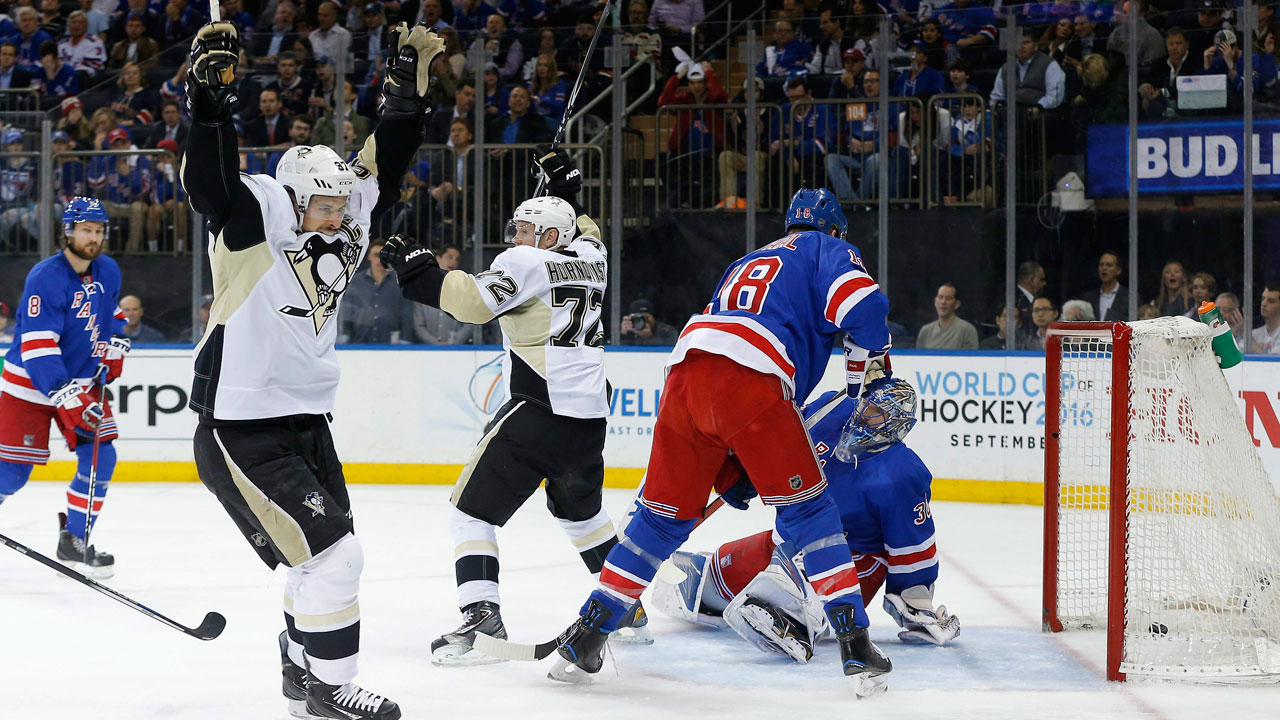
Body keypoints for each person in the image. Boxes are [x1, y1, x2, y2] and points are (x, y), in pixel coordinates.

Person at [183, 19, 442, 719]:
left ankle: (302, 667)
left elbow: (384, 157)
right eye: (321, 206)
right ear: (293, 200)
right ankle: (331, 688)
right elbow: (208, 181)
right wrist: (209, 104)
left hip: (306, 421)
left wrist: (404, 93)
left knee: (320, 559)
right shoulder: (255, 221)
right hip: (241, 429)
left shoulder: (344, 211)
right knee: (337, 559)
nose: (334, 216)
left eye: (338, 204)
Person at [551, 188, 895, 695]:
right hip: (752, 380)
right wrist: (876, 367)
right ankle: (855, 644)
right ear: (836, 230)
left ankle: (588, 634)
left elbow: (726, 367)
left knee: (659, 520)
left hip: (685, 376)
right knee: (810, 514)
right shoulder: (829, 250)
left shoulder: (748, 260)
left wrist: (735, 464)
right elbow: (866, 306)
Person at [381, 145, 651, 665]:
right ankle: (628, 606)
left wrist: (419, 271)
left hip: (538, 411)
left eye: (527, 228)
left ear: (549, 238)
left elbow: (469, 304)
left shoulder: (527, 262)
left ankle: (481, 614)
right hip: (589, 419)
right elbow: (587, 230)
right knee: (582, 514)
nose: (516, 237)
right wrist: (565, 191)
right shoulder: (593, 256)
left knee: (469, 512)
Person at [651, 378, 960, 661]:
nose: (865, 413)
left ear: (897, 425)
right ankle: (775, 597)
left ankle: (799, 617)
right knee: (701, 584)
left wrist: (914, 603)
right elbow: (781, 439)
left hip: (854, 558)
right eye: (867, 404)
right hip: (791, 538)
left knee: (786, 596)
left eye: (878, 413)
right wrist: (744, 469)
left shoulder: (903, 473)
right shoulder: (833, 410)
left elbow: (912, 546)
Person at [0, 197, 129, 580]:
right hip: (30, 385)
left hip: (79, 383)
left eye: (99, 230)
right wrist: (65, 393)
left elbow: (113, 312)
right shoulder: (46, 276)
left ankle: (74, 541)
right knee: (12, 473)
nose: (93, 237)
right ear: (68, 231)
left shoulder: (107, 268)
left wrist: (117, 345)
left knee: (101, 456)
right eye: (86, 229)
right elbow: (38, 345)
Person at [338, 239, 412, 344]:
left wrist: (405, 342)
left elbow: (406, 314)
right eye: (377, 255)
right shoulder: (355, 282)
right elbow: (347, 312)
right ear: (369, 257)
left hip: (392, 347)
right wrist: (345, 338)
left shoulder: (400, 283)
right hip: (359, 344)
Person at [990, 28, 1066, 110]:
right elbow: (996, 97)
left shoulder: (1050, 64)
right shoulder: (1006, 68)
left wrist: (1039, 107)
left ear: (1036, 46)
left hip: (1039, 116)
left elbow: (1055, 96)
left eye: (1026, 43)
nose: (1021, 47)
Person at [915, 283, 978, 349]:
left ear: (957, 304)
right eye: (940, 297)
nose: (943, 302)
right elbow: (919, 358)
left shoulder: (967, 330)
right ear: (935, 302)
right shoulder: (925, 331)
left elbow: (970, 358)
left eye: (948, 298)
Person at [58, 11, 107, 82]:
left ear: (86, 26)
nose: (76, 25)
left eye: (80, 23)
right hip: (64, 78)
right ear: (69, 25)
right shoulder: (61, 44)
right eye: (73, 22)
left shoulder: (94, 42)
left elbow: (92, 68)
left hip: (85, 80)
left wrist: (69, 71)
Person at [1081, 250, 1128, 322]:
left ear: (1118, 270)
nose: (1104, 268)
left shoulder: (1130, 297)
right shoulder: (1089, 297)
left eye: (1109, 265)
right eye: (1101, 265)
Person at [1015, 260, 1045, 330]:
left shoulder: (1033, 300)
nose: (1044, 283)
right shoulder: (1013, 299)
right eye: (1041, 279)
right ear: (1031, 280)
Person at [1252, 284, 1280, 354]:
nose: (1264, 304)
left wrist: (1245, 334)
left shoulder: (1250, 337)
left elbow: (1272, 362)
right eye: (1263, 299)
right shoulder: (1254, 334)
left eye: (1271, 301)